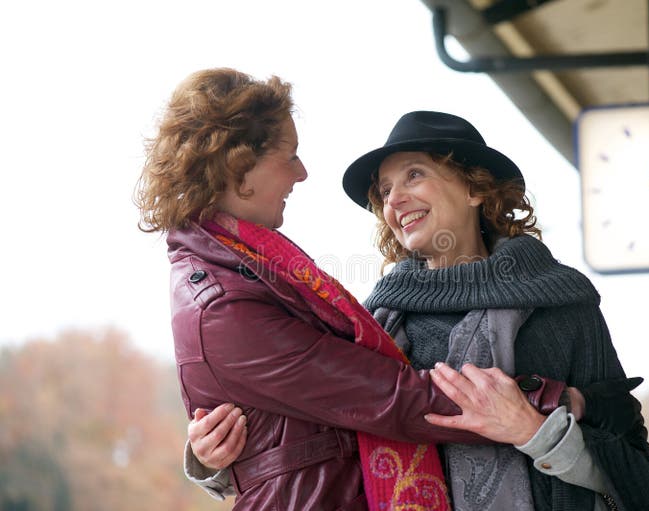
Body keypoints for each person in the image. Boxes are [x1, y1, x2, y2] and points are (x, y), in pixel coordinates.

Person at [136, 68, 615, 511]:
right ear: (239, 169)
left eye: (415, 175)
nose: (395, 199)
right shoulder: (383, 318)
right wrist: (215, 461)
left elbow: (628, 459)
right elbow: (362, 404)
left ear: (475, 187)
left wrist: (541, 432)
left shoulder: (559, 304)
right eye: (384, 190)